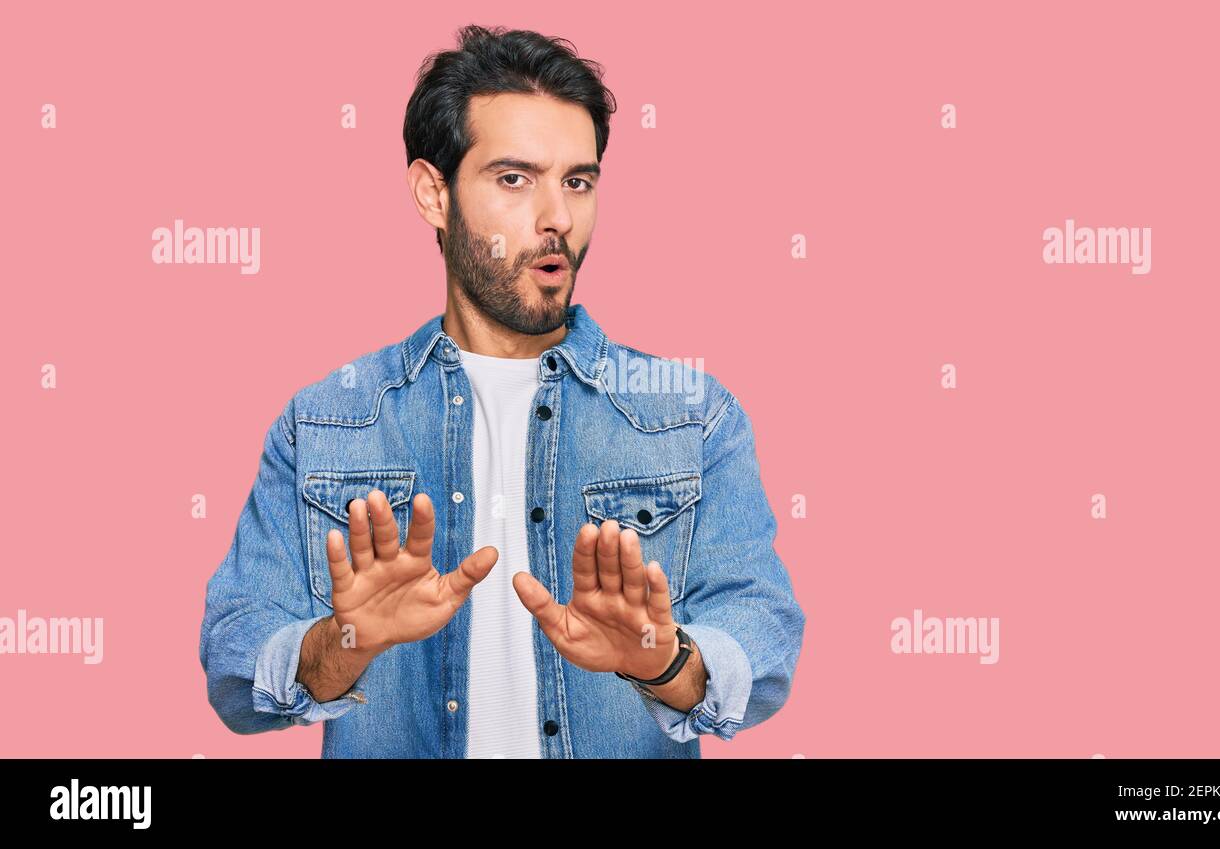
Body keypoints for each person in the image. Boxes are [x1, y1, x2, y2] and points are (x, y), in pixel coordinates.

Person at [199, 24, 805, 758]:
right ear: (434, 194)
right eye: (515, 179)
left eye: (577, 181)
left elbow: (763, 635)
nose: (558, 218)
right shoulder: (327, 422)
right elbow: (235, 665)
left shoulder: (691, 416)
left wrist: (663, 662)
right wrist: (343, 641)